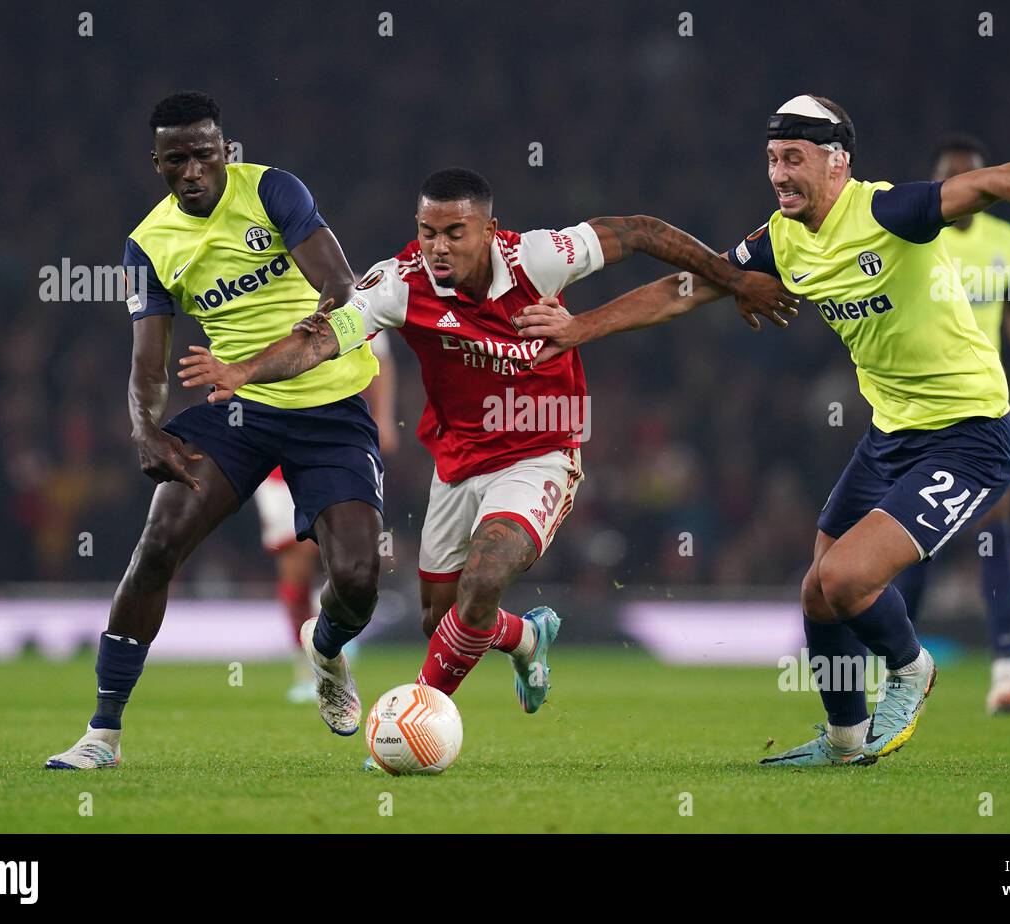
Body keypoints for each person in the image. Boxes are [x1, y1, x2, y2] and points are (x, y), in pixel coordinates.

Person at [514, 94, 1010, 767]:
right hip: (890, 436)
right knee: (818, 590)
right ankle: (843, 741)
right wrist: (580, 328)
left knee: (843, 580)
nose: (778, 174)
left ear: (837, 162)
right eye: (773, 159)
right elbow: (683, 290)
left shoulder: (886, 211)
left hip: (969, 435)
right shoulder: (779, 239)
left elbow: (988, 180)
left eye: (794, 159)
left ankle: (910, 668)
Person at [177, 166, 792, 719]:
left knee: (486, 573)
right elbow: (321, 341)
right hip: (458, 463)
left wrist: (733, 278)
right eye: (427, 232)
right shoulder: (397, 285)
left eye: (454, 232)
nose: (438, 247)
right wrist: (242, 372)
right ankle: (525, 638)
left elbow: (641, 231)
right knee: (440, 620)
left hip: (540, 450)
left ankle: (414, 719)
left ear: (490, 230)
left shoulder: (541, 258)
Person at [45, 92, 384, 769]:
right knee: (158, 544)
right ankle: (102, 732)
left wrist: (271, 358)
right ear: (158, 164)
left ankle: (324, 651)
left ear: (224, 149)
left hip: (331, 410)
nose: (193, 168)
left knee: (358, 579)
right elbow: (149, 363)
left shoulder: (274, 192)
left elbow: (342, 289)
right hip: (238, 413)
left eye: (204, 153)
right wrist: (145, 429)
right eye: (177, 159)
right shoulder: (149, 244)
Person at [891, 135, 1010, 715]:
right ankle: (897, 668)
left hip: (983, 406)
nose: (964, 190)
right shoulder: (913, 235)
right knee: (913, 543)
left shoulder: (1005, 239)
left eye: (972, 179)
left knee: (993, 523)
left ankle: (1005, 671)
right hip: (918, 406)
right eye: (951, 179)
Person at [254, 333, 399, 704]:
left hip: (337, 442)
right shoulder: (262, 293)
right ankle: (307, 666)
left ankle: (331, 636)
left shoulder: (344, 289)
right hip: (272, 450)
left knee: (345, 558)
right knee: (296, 564)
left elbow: (379, 358)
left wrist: (382, 419)